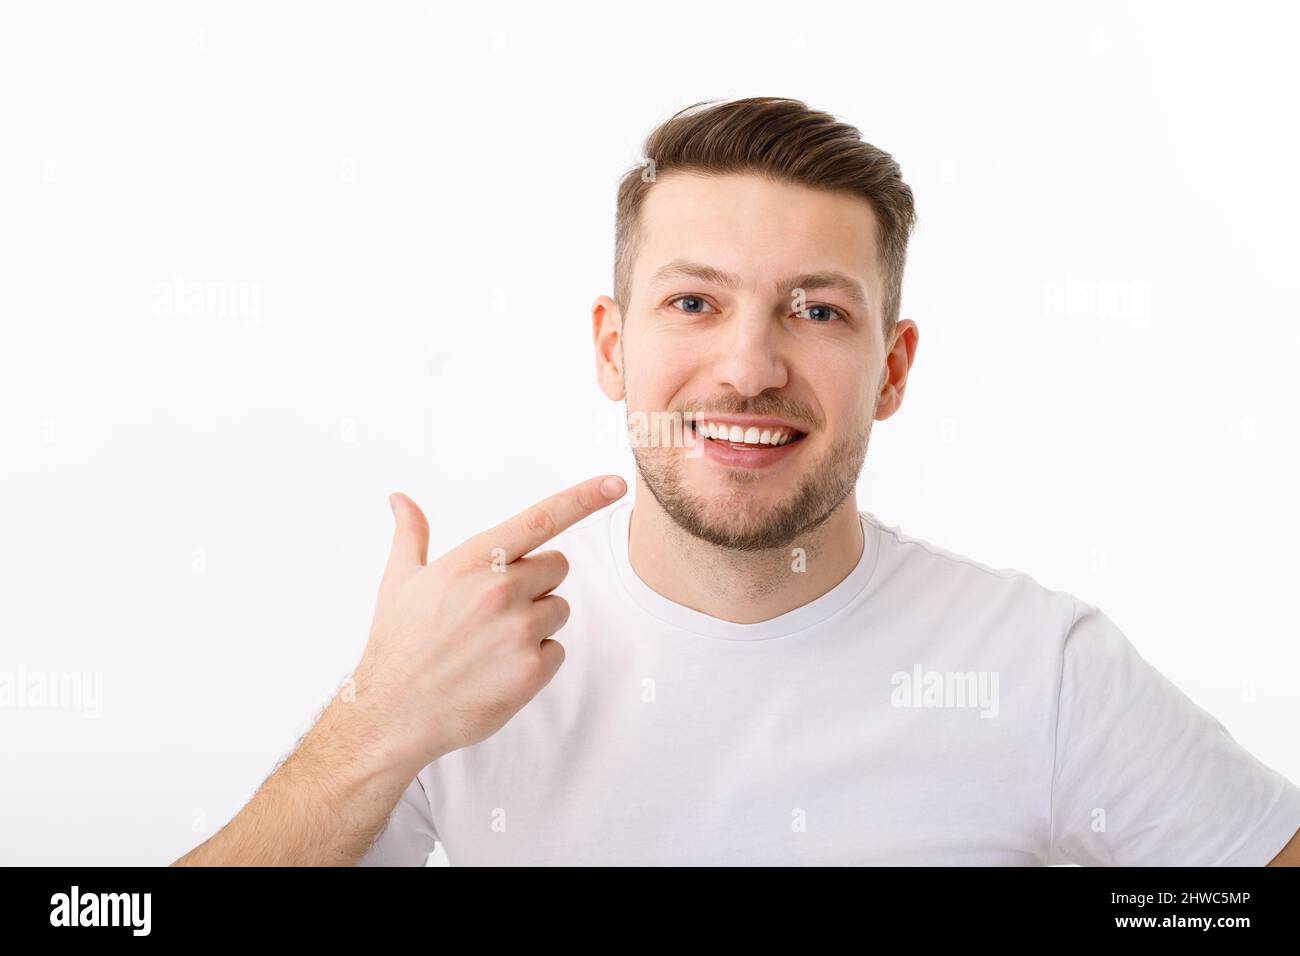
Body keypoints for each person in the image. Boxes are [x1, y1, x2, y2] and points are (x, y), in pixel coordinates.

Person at [173, 97, 1300, 867]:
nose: (750, 369)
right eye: (694, 302)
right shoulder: (465, 657)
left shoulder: (1043, 670)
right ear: (612, 346)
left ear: (892, 368)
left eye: (816, 310)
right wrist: (377, 721)